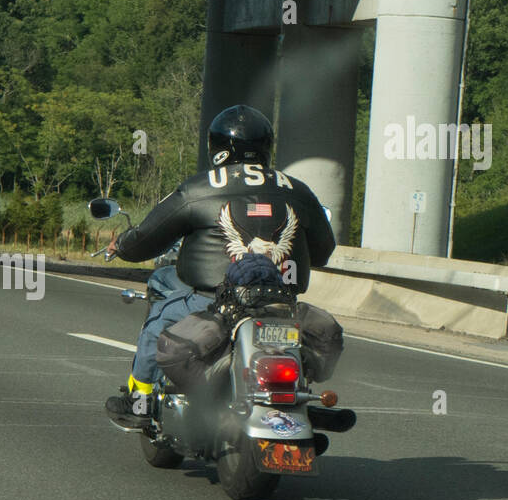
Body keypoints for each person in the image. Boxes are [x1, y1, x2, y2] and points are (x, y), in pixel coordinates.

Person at [104, 104, 336, 427]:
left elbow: (148, 236)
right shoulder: (298, 190)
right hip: (281, 303)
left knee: (159, 315)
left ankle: (139, 400)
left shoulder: (200, 188)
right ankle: (298, 396)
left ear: (216, 148)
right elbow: (324, 250)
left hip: (215, 300)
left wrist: (123, 244)